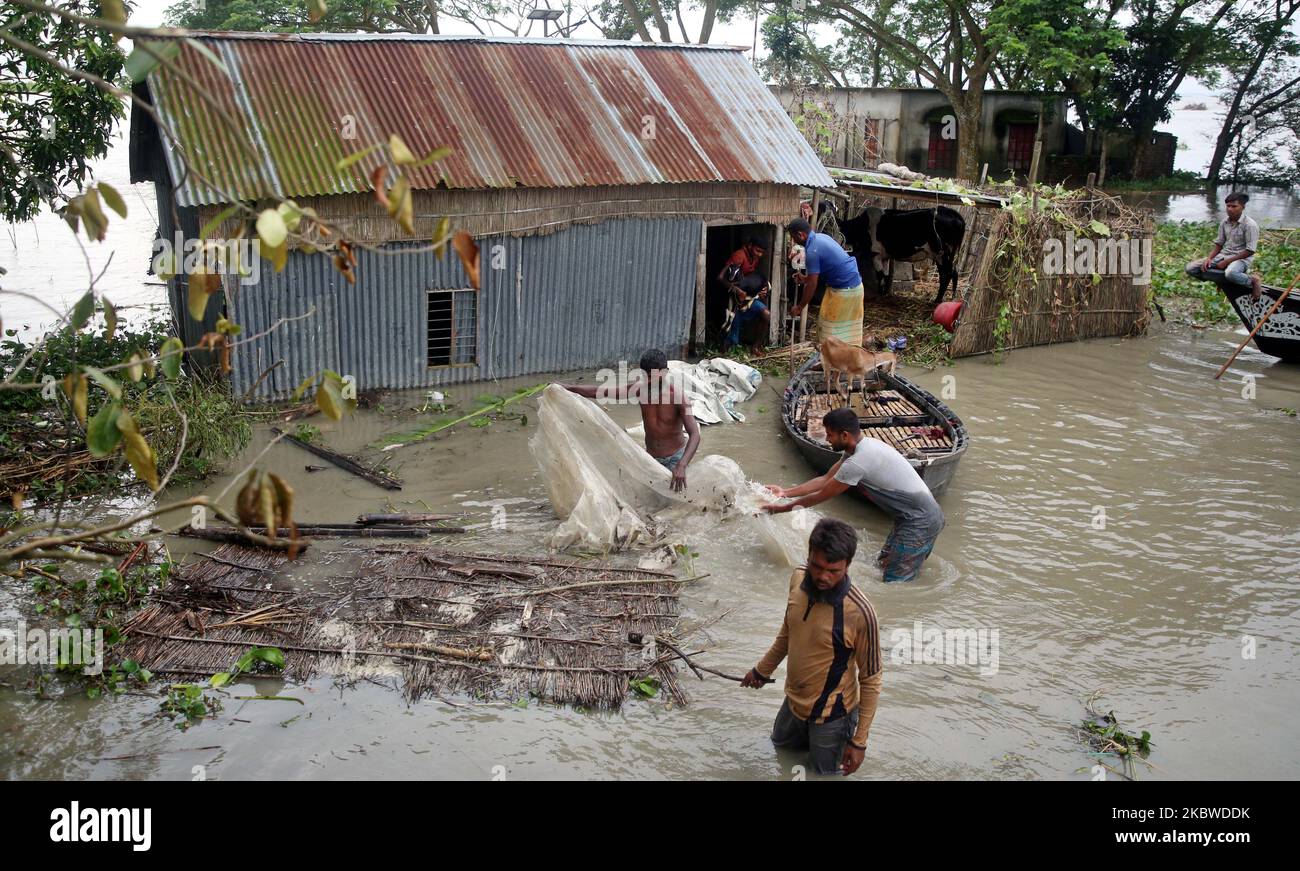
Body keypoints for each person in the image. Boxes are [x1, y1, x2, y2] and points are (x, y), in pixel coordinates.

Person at [740, 518, 881, 776]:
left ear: (848, 566)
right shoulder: (797, 579)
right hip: (793, 703)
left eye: (833, 571)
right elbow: (787, 633)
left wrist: (859, 741)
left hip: (832, 718)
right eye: (816, 567)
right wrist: (761, 671)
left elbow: (871, 679)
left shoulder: (860, 613)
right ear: (809, 556)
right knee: (780, 751)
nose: (823, 577)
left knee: (823, 775)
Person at [762, 407, 944, 583]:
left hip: (920, 521)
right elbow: (825, 479)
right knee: (883, 565)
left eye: (830, 434)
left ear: (844, 435)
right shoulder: (861, 449)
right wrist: (785, 492)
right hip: (910, 518)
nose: (827, 439)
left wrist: (780, 510)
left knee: (895, 581)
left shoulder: (858, 462)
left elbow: (822, 495)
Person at [559, 348, 700, 492]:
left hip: (675, 459)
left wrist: (682, 465)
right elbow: (601, 391)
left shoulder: (681, 398)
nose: (649, 382)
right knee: (648, 501)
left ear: (665, 372)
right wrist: (568, 388)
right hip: (651, 458)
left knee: (673, 504)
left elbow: (695, 434)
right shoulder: (639, 389)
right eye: (646, 377)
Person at [787, 217, 864, 345]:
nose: (794, 241)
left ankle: (839, 359)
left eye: (794, 237)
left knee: (831, 331)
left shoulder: (812, 251)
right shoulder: (820, 237)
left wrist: (800, 307)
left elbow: (812, 284)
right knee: (837, 328)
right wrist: (805, 279)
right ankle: (842, 357)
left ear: (801, 234)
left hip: (846, 290)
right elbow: (820, 272)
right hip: (851, 284)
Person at [1185, 191, 1263, 299]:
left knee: (1230, 273)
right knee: (1191, 269)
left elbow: (1250, 251)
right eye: (1228, 206)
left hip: (1242, 259)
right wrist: (1209, 258)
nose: (1230, 209)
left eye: (1234, 206)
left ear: (1242, 207)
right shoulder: (1224, 222)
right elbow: (1219, 243)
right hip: (1224, 255)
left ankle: (1253, 280)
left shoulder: (1250, 225)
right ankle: (1221, 280)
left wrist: (1226, 262)